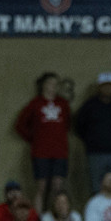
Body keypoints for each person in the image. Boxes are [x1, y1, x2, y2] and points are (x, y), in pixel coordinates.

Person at [14, 74, 71, 208]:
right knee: (41, 186)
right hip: (41, 152)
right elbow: (20, 125)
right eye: (50, 83)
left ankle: (53, 214)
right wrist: (34, 139)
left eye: (56, 84)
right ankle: (39, 216)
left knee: (57, 186)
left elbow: (67, 124)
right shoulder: (35, 104)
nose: (54, 86)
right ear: (43, 85)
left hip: (60, 152)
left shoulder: (63, 104)